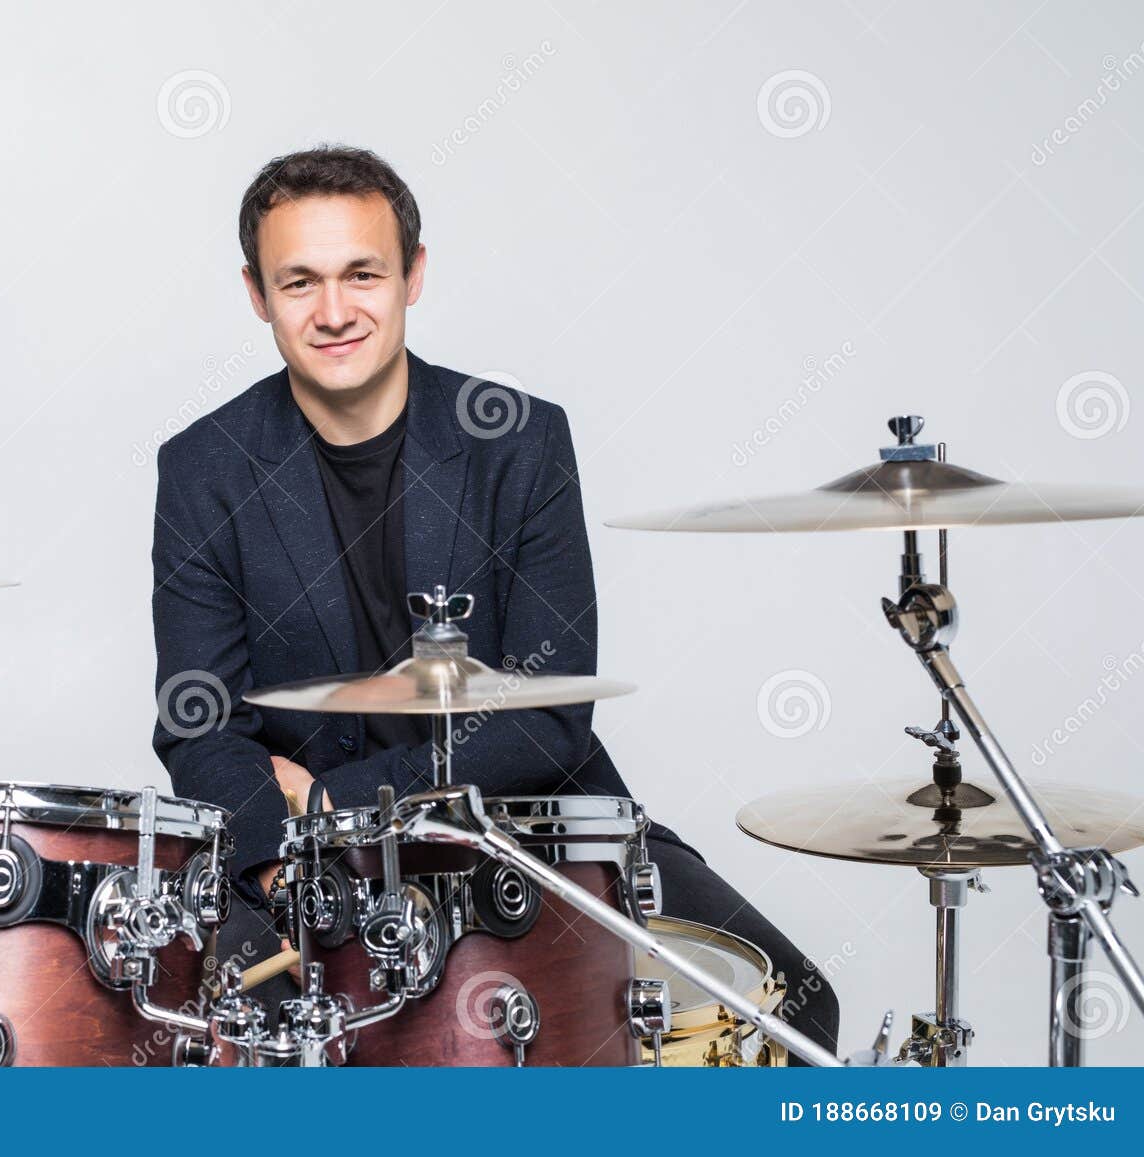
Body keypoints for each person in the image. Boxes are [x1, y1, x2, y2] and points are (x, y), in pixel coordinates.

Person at [150, 144, 838, 1061]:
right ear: (256, 293)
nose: (335, 310)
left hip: (537, 832)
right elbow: (199, 726)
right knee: (229, 1047)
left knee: (796, 1009)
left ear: (415, 274)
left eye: (364, 273)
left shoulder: (519, 441)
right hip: (298, 864)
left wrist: (328, 798)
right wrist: (291, 852)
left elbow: (549, 713)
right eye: (299, 281)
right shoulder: (203, 467)